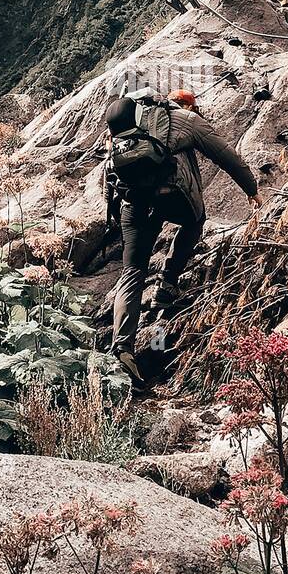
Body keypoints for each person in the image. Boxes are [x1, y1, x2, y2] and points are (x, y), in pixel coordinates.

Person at [105, 94, 260, 381]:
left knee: (132, 272)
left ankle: (122, 346)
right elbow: (225, 155)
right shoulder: (186, 119)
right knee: (195, 222)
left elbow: (111, 174)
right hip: (173, 198)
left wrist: (114, 216)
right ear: (188, 106)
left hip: (134, 204)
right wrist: (251, 188)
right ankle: (167, 283)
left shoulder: (125, 129)